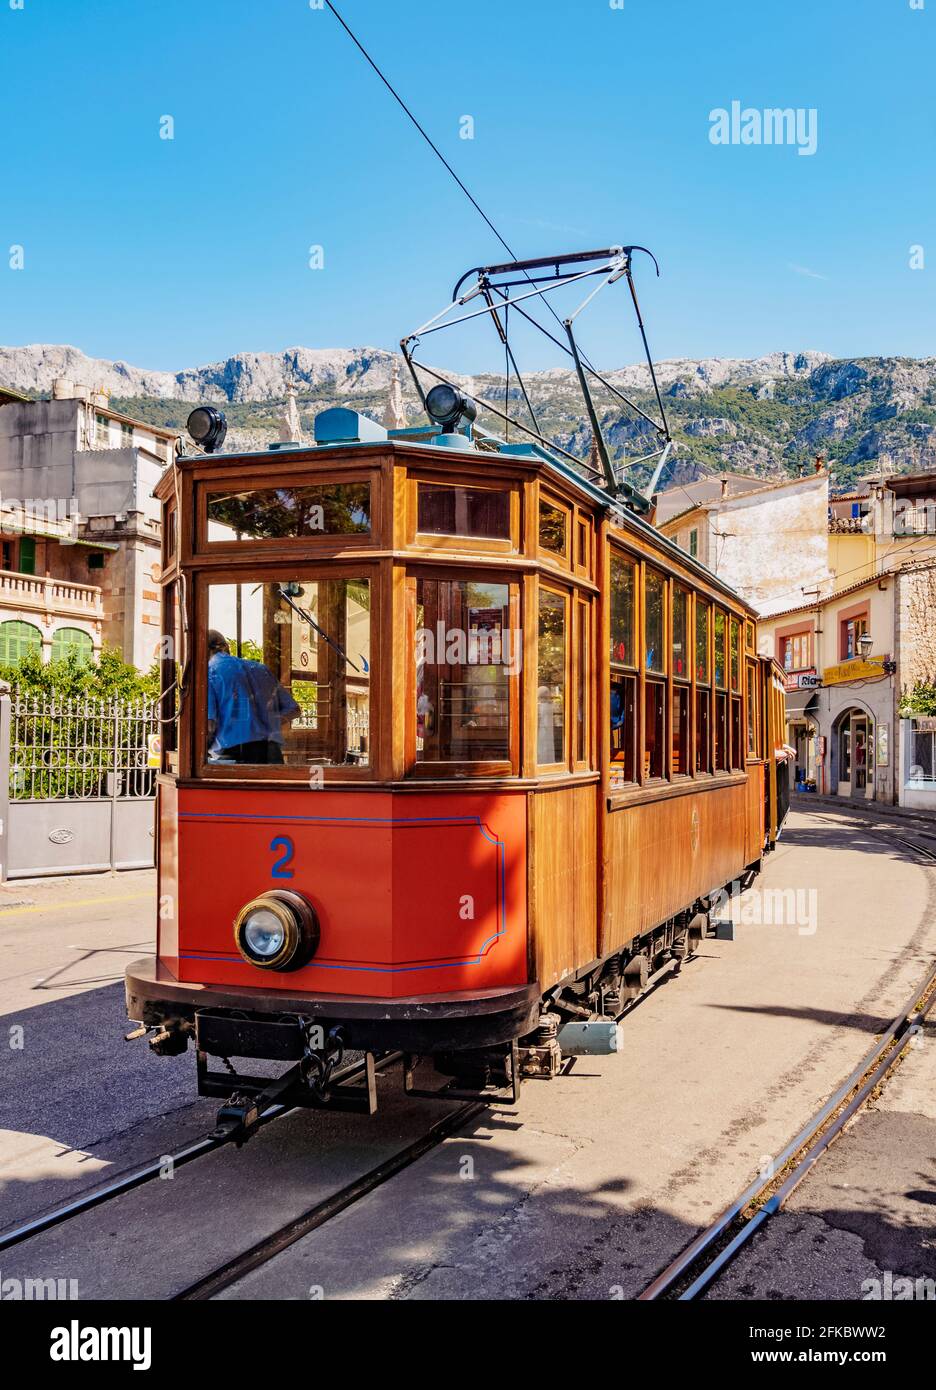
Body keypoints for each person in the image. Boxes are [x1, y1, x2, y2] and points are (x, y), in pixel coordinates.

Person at [206, 630, 300, 763]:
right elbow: (294, 710)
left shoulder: (209, 673)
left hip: (233, 756)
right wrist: (267, 723)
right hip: (271, 753)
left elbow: (209, 726)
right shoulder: (261, 669)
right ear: (226, 647)